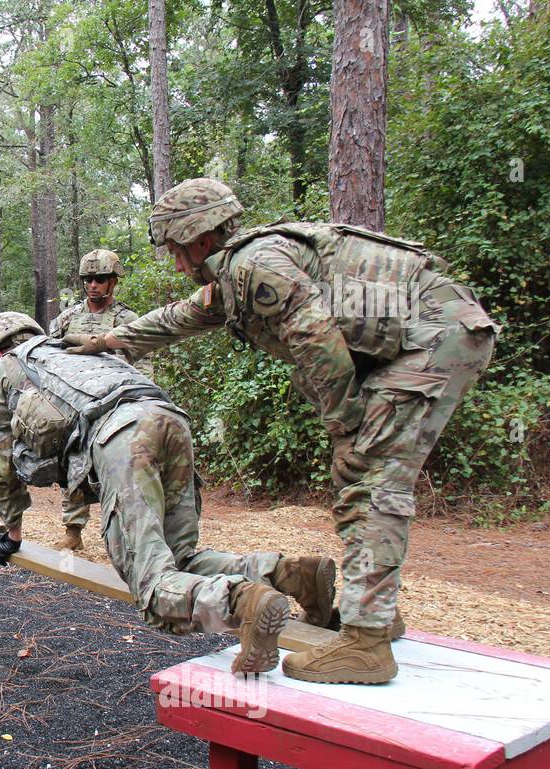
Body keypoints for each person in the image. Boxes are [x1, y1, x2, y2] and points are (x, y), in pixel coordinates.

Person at [66, 178, 498, 683]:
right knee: (364, 476)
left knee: (370, 479)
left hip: (433, 338)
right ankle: (375, 615)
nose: (177, 264)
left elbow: (318, 340)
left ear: (200, 238)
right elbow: (181, 317)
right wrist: (109, 340)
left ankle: (366, 643)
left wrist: (344, 429)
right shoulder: (240, 273)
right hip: (416, 339)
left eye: (177, 251)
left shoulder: (255, 265)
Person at [0, 310, 337, 675]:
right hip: (170, 419)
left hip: (122, 436)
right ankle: (293, 575)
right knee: (179, 560)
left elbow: (4, 461)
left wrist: (11, 533)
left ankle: (243, 604)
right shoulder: (74, 348)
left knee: (151, 587)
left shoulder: (3, 370)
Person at [47, 250, 148, 552]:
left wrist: (141, 398)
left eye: (100, 279)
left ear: (113, 282)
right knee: (72, 466)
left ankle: (121, 534)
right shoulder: (68, 317)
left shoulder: (128, 320)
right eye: (88, 279)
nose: (93, 285)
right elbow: (51, 356)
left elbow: (143, 360)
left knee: (120, 467)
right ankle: (73, 529)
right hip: (76, 402)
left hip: (116, 401)